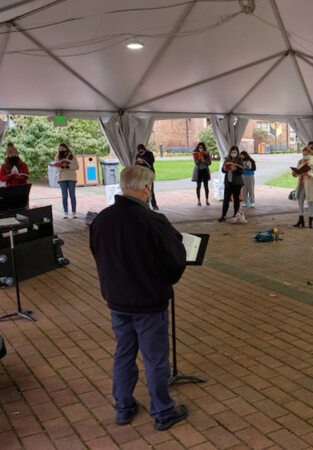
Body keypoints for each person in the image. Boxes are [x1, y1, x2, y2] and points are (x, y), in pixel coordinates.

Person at [89, 165, 188, 431]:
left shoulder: (102, 219)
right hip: (148, 301)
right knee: (155, 358)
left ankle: (123, 407)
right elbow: (176, 260)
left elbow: (97, 254)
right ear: (147, 189)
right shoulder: (153, 220)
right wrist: (165, 280)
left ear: (123, 186)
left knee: (123, 352)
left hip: (117, 300)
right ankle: (163, 411)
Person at [292, 147, 313, 228]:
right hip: (302, 184)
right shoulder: (300, 162)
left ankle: (311, 221)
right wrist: (295, 173)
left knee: (311, 202)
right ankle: (301, 219)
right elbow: (298, 172)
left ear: (310, 154)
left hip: (310, 185)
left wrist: (310, 175)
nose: (304, 156)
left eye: (306, 154)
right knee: (300, 202)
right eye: (303, 154)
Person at [219, 146, 244, 222]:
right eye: (232, 152)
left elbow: (241, 171)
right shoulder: (227, 159)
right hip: (228, 182)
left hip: (237, 182)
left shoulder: (239, 160)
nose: (234, 154)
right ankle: (223, 215)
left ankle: (235, 214)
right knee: (226, 199)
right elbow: (223, 170)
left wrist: (236, 169)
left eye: (235, 152)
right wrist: (224, 169)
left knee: (236, 199)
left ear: (237, 153)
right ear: (230, 152)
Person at [135, 144, 158, 210]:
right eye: (140, 151)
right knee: (142, 189)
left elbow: (151, 162)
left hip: (149, 173)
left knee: (150, 189)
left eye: (142, 150)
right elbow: (136, 164)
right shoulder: (138, 155)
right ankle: (145, 204)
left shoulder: (149, 154)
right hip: (141, 174)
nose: (141, 152)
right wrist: (139, 162)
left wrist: (143, 161)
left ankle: (154, 205)